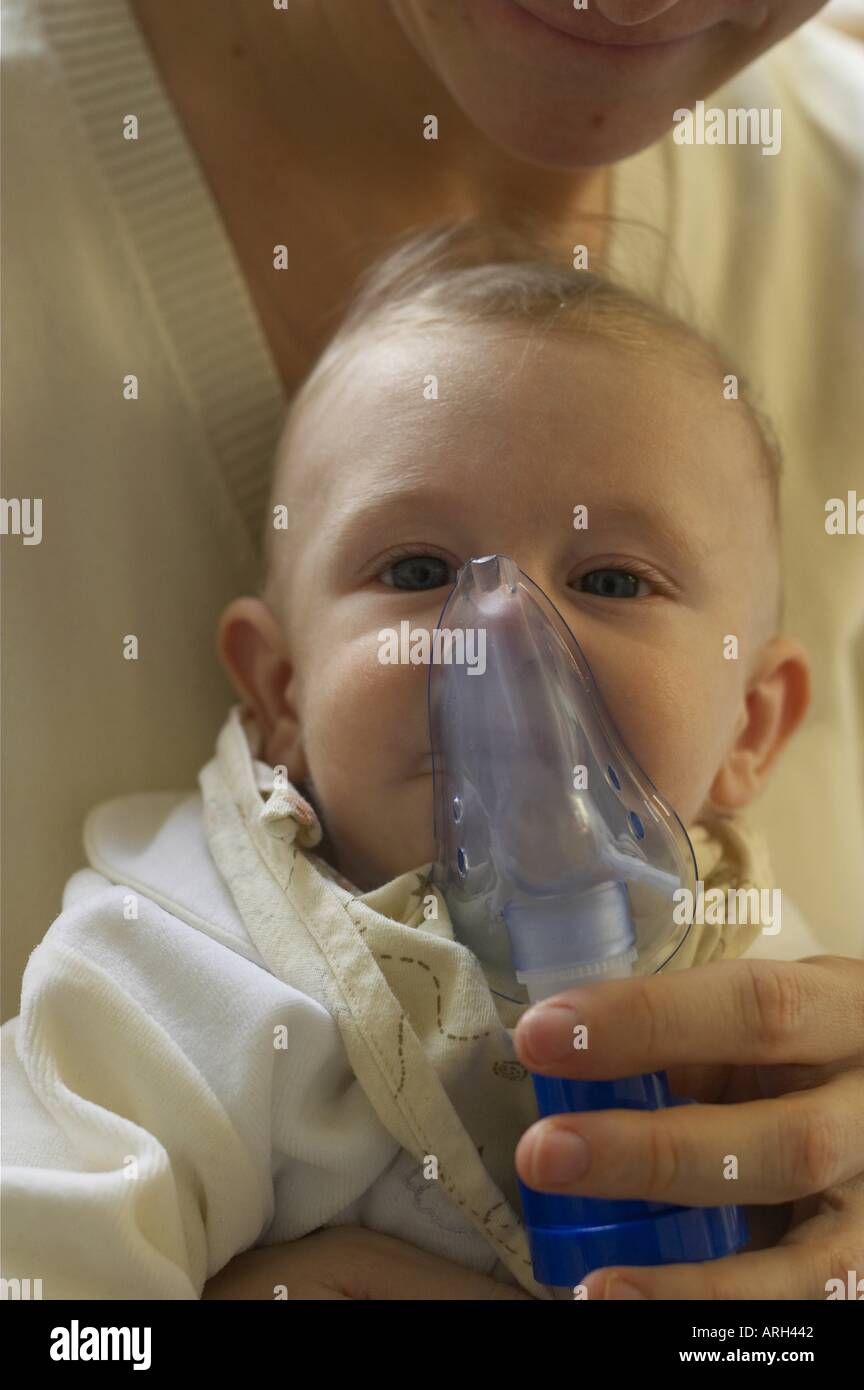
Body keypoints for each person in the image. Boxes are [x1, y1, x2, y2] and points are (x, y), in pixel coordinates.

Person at [3, 0, 863, 1298]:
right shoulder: (182, 968)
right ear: (278, 692)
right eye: (417, 571)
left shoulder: (763, 971)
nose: (507, 640)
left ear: (754, 727)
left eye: (614, 577)